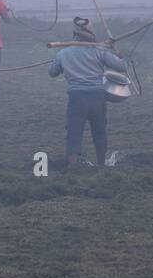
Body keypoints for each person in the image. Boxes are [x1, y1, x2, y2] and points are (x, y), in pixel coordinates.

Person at [48, 17, 128, 167]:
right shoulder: (100, 51)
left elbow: (52, 72)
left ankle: (72, 165)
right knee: (99, 132)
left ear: (75, 35)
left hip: (76, 98)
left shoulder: (64, 53)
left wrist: (57, 61)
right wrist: (118, 51)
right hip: (97, 97)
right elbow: (122, 66)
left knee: (74, 132)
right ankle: (101, 164)